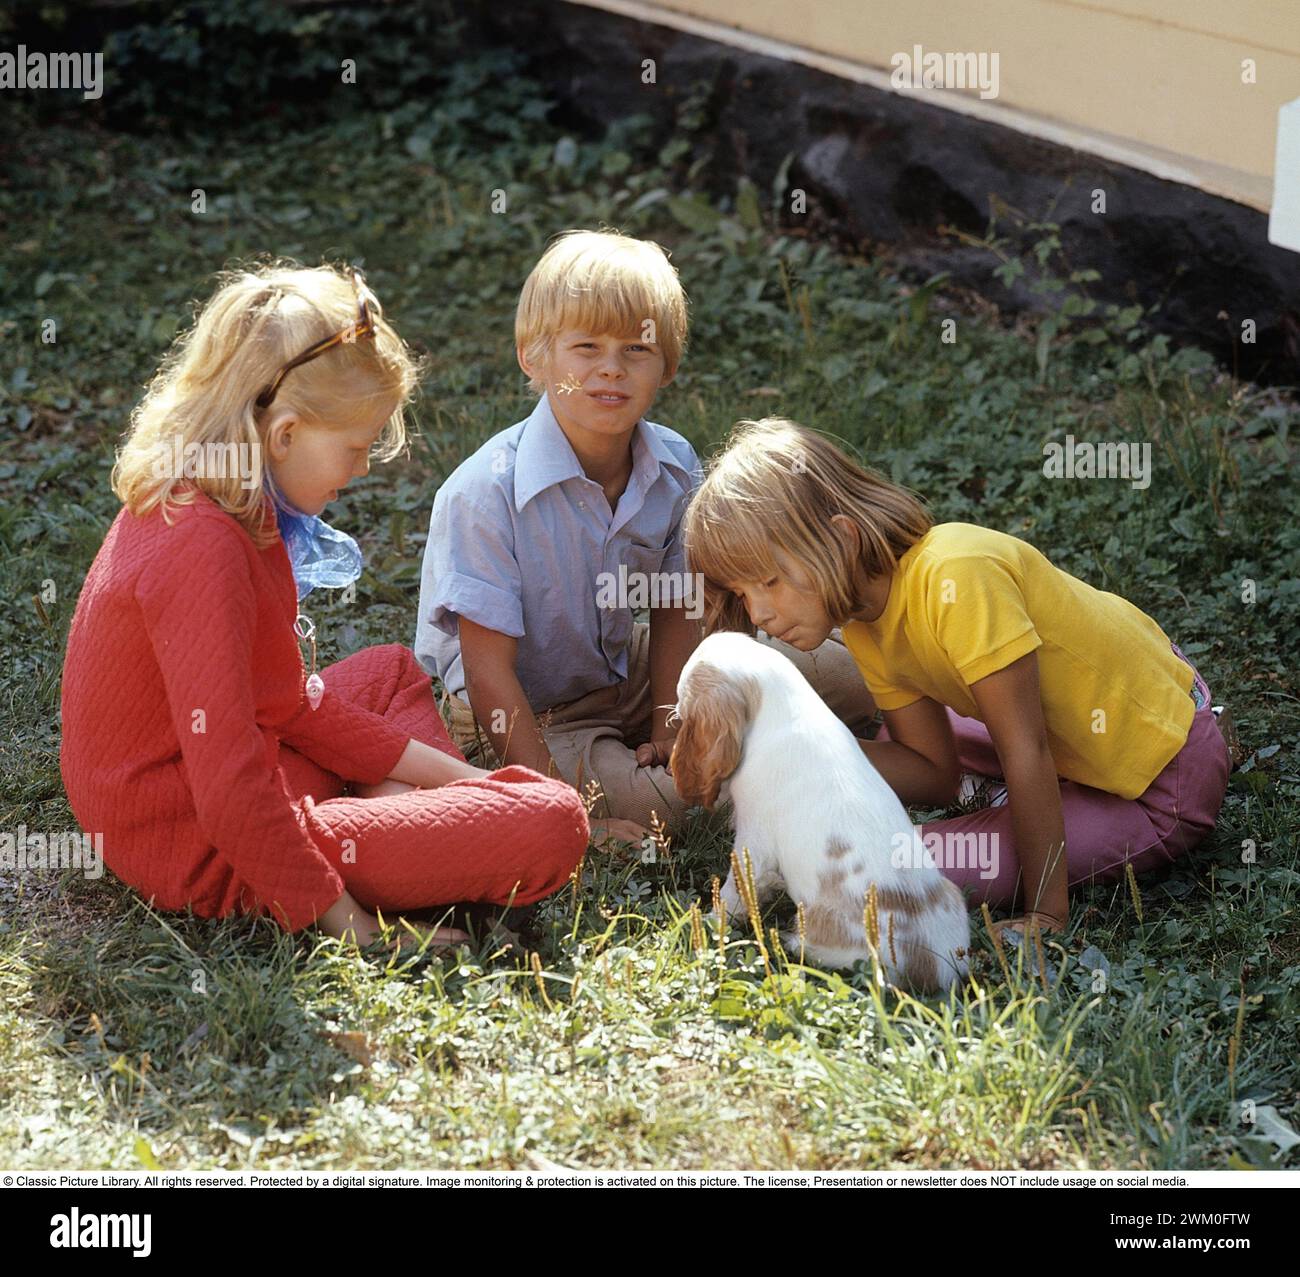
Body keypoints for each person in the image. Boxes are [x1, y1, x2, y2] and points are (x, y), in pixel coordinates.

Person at [59, 260, 588, 954]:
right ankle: (392, 842)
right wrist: (360, 931)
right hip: (202, 840)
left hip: (233, 776)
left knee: (390, 672)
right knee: (555, 821)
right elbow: (231, 792)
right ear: (283, 434)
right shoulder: (203, 549)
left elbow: (285, 705)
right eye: (356, 447)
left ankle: (404, 817)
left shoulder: (230, 499)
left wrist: (475, 783)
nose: (363, 468)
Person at [681, 417, 1232, 940]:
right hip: (1070, 744)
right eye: (743, 594)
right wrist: (795, 752)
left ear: (842, 537)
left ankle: (1017, 810)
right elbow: (932, 771)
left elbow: (1027, 747)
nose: (757, 614)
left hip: (1161, 778)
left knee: (887, 867)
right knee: (892, 758)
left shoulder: (957, 576)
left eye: (769, 582)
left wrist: (1045, 912)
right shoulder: (866, 622)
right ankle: (1002, 801)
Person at [415, 231, 877, 842]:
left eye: (637, 347)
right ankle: (814, 767)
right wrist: (559, 814)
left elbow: (675, 607)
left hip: (618, 671)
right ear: (534, 356)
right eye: (586, 347)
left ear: (669, 362)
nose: (611, 367)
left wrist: (670, 721)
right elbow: (488, 675)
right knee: (675, 805)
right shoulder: (485, 494)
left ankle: (881, 747)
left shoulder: (674, 464)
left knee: (850, 672)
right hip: (528, 715)